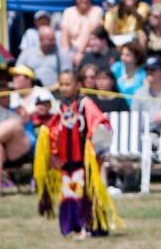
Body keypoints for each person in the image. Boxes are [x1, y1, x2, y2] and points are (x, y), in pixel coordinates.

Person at [34, 70, 120, 238]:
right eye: (62, 85)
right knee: (70, 192)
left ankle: (90, 226)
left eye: (68, 84)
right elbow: (54, 130)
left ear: (78, 85)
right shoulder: (61, 106)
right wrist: (52, 152)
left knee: (86, 191)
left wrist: (96, 144)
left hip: (83, 157)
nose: (64, 88)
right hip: (67, 159)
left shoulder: (84, 103)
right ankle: (73, 225)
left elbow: (100, 122)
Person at [60, 0, 103, 67]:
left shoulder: (96, 11)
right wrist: (67, 55)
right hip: (72, 52)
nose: (84, 0)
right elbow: (64, 37)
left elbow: (91, 32)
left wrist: (80, 53)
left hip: (91, 51)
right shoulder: (68, 12)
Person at [110, 40, 145, 107]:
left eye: (127, 55)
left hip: (136, 109)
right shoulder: (115, 68)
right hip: (117, 107)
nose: (123, 58)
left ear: (137, 57)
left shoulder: (143, 74)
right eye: (122, 54)